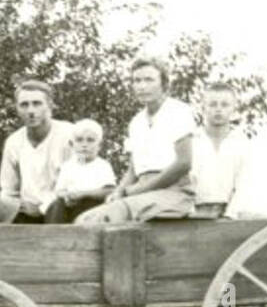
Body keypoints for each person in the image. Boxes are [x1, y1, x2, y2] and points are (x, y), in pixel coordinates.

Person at [75, 56, 196, 224]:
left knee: (108, 216)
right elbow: (133, 170)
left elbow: (184, 163)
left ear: (164, 84)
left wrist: (136, 190)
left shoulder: (178, 111)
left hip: (175, 193)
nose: (142, 86)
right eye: (137, 80)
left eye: (149, 80)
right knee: (84, 219)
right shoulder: (136, 122)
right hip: (141, 193)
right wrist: (118, 192)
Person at [0, 79, 74, 224]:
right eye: (24, 105)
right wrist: (17, 206)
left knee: (58, 208)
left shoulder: (69, 134)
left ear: (49, 106)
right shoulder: (14, 142)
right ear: (17, 109)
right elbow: (8, 190)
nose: (31, 111)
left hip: (62, 210)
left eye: (37, 103)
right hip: (26, 212)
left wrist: (42, 207)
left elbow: (77, 183)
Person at [190, 81, 251, 218]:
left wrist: (230, 215)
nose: (218, 109)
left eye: (224, 105)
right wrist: (191, 213)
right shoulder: (191, 141)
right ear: (203, 108)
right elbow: (184, 182)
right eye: (212, 104)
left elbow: (244, 185)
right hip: (195, 215)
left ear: (233, 109)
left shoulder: (242, 143)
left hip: (230, 215)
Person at [44, 119, 118, 223]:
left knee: (92, 206)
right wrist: (67, 196)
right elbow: (60, 191)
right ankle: (54, 235)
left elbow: (109, 190)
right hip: (71, 206)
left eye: (90, 140)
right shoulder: (68, 166)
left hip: (93, 207)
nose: (84, 145)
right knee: (56, 205)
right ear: (72, 144)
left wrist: (83, 194)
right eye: (79, 140)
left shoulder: (102, 166)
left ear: (99, 145)